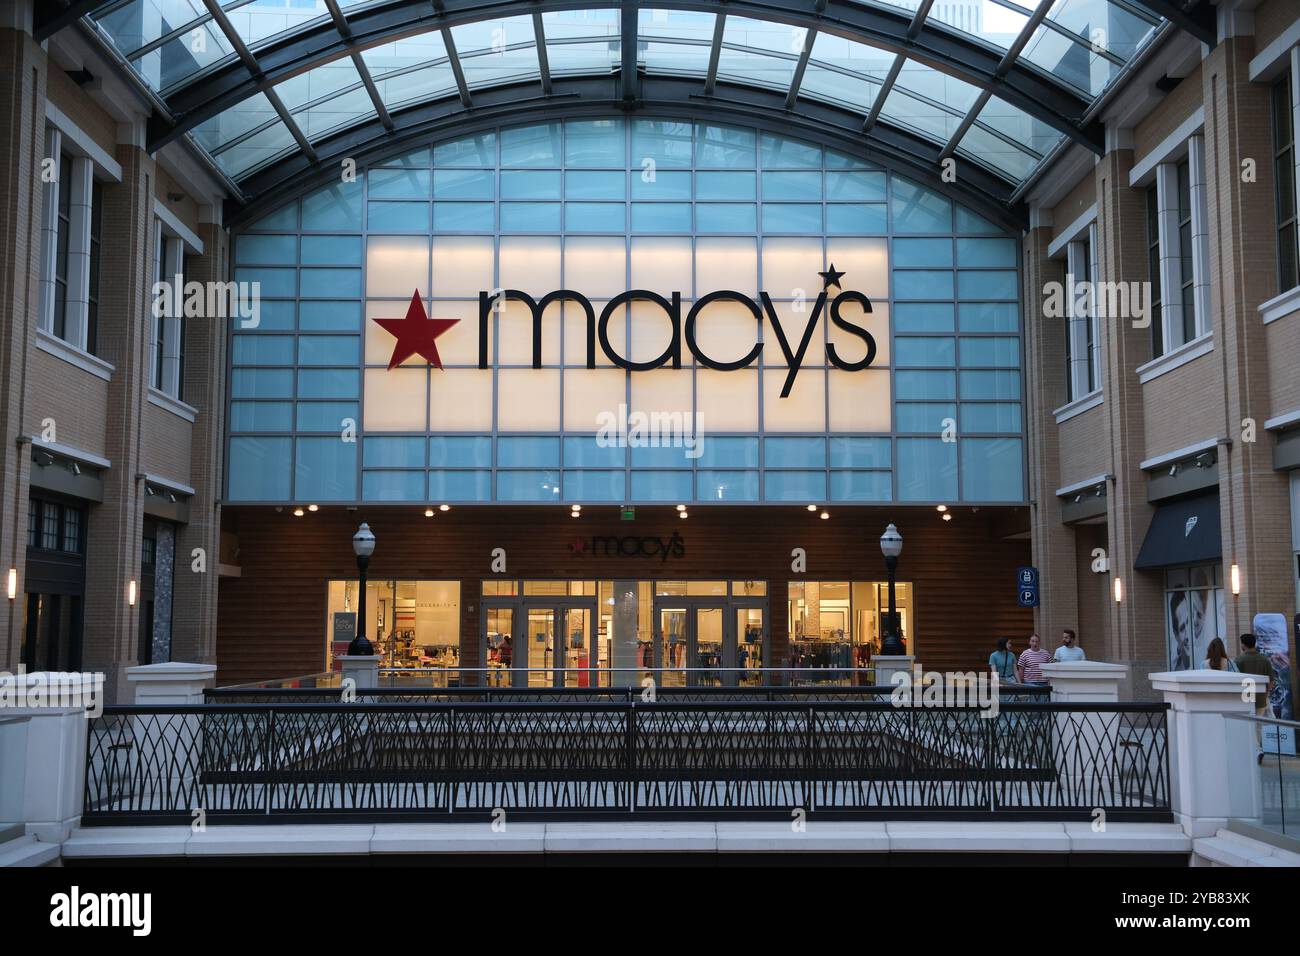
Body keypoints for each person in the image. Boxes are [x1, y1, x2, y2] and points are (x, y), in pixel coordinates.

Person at [1234, 633, 1273, 714]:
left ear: (1243, 645)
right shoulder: (1265, 660)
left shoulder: (1238, 660)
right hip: (1261, 699)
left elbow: (1235, 681)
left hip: (1245, 699)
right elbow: (1271, 682)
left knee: (1246, 724)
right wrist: (1265, 695)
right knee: (1258, 724)